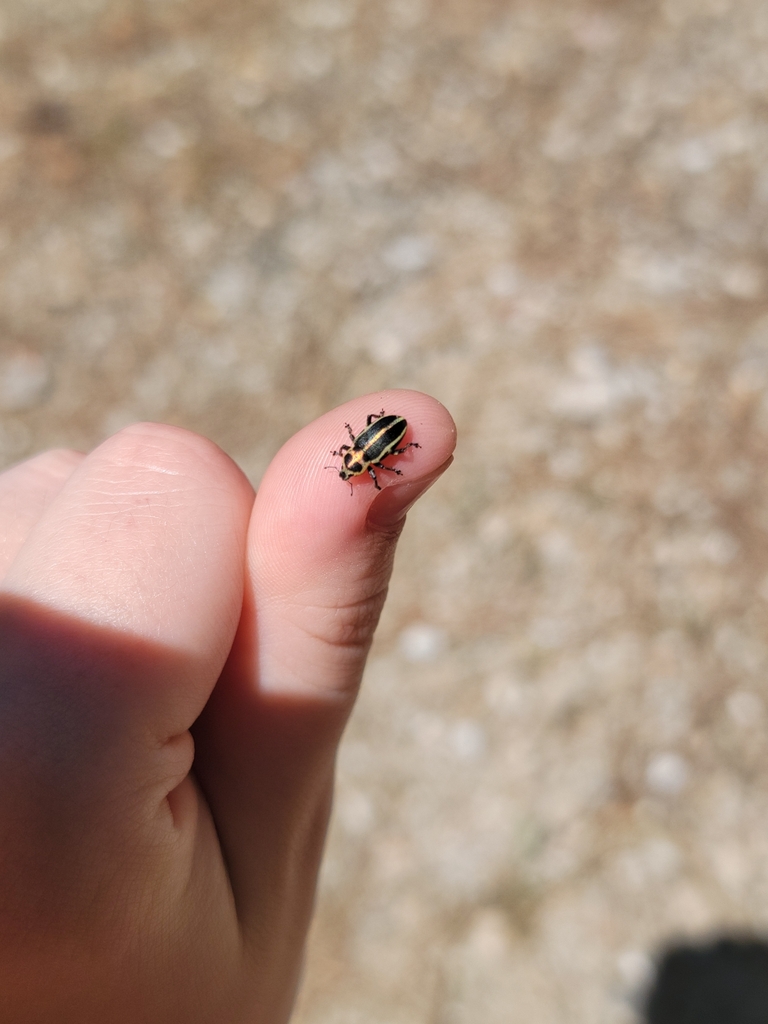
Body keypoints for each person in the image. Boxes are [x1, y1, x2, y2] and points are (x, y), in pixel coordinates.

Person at [0, 390, 456, 1023]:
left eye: (357, 462)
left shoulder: (365, 456)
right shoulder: (366, 461)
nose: (357, 463)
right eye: (358, 461)